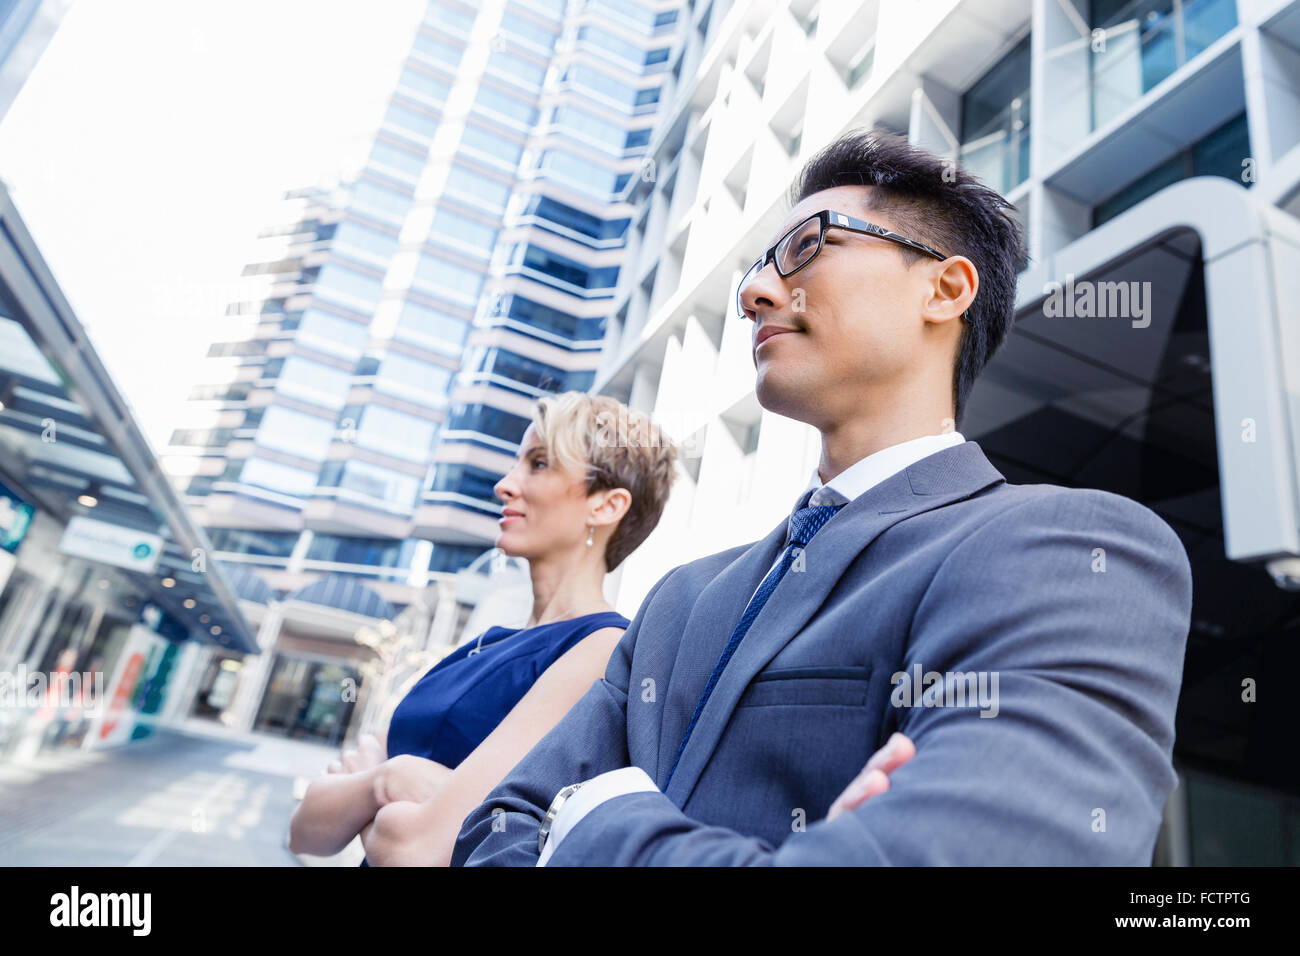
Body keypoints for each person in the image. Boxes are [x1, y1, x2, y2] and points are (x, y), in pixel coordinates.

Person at [451, 130, 1194, 867]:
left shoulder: (1069, 552)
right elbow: (494, 832)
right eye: (758, 268)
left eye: (807, 246)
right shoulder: (679, 602)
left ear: (945, 288)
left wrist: (596, 819)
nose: (753, 292)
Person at [287, 391, 677, 864]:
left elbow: (416, 849)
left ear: (605, 506)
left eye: (538, 464)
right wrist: (387, 781)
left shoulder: (602, 650)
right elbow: (307, 833)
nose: (504, 485)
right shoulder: (483, 644)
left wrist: (373, 785)